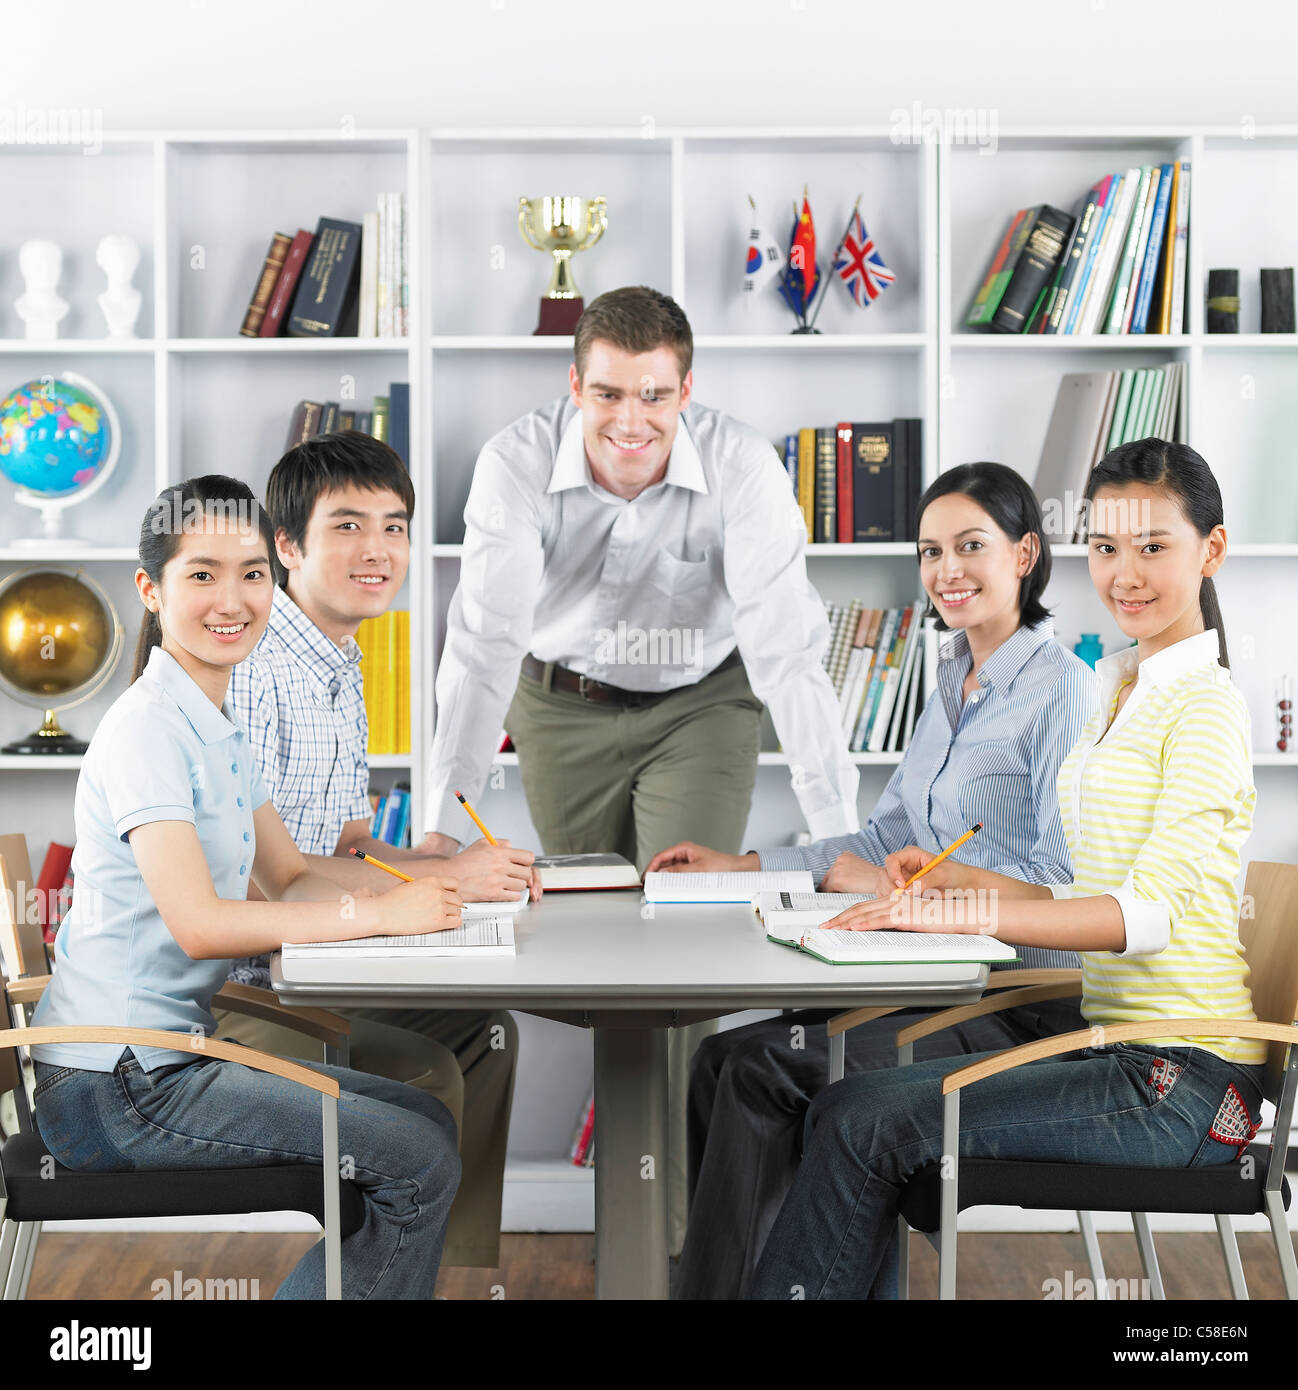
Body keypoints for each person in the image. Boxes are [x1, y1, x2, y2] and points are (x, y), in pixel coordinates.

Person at [749, 438, 1266, 1300]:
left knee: (864, 1124)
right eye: (1105, 548)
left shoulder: (1205, 708)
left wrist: (958, 918)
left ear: (1211, 549)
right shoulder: (1121, 691)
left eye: (1153, 547)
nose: (1125, 574)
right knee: (847, 1107)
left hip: (1185, 1083)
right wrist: (963, 887)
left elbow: (1146, 917)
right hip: (1117, 1053)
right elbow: (1077, 889)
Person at [420, 284, 861, 1252]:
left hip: (700, 704)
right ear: (574, 384)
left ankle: (675, 1243)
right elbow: (482, 645)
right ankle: (627, 1199)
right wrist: (442, 830)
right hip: (559, 702)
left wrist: (837, 837)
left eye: (654, 396)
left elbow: (786, 648)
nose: (631, 422)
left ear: (686, 389)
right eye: (609, 395)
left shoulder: (743, 464)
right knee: (590, 949)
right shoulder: (514, 462)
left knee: (683, 937)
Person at [648, 461, 1098, 1298]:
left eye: (971, 546)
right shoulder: (949, 682)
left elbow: (1061, 884)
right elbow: (881, 838)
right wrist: (743, 865)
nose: (946, 571)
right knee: (720, 1063)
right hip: (920, 975)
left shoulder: (1063, 690)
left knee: (760, 1071)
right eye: (930, 551)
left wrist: (910, 895)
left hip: (1005, 1002)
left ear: (1025, 554)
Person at [30, 476, 463, 1299]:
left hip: (161, 1066)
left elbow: (291, 874)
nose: (233, 600)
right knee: (419, 1162)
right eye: (202, 575)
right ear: (151, 590)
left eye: (254, 573)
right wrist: (379, 915)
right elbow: (199, 926)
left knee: (426, 1122)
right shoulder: (149, 729)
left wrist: (435, 886)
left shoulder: (213, 722)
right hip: (117, 1086)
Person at [212, 431, 529, 1268]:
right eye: (348, 526)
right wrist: (446, 876)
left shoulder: (341, 660)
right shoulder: (253, 665)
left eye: (395, 526)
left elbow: (345, 843)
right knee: (423, 1084)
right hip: (234, 995)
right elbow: (275, 880)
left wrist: (437, 862)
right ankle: (381, 1279)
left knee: (481, 1034)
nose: (378, 550)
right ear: (286, 546)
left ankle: (435, 1277)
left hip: (300, 968)